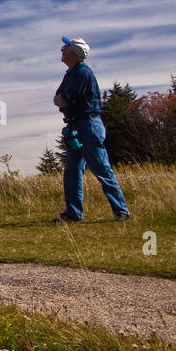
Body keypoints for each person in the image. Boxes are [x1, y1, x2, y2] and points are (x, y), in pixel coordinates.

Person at [52, 35, 130, 223]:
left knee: (101, 168)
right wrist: (60, 99)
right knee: (72, 171)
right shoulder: (72, 73)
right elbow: (58, 98)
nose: (62, 50)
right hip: (76, 125)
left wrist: (60, 100)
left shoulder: (82, 73)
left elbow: (62, 99)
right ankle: (73, 213)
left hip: (88, 124)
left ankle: (121, 210)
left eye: (66, 47)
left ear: (74, 52)